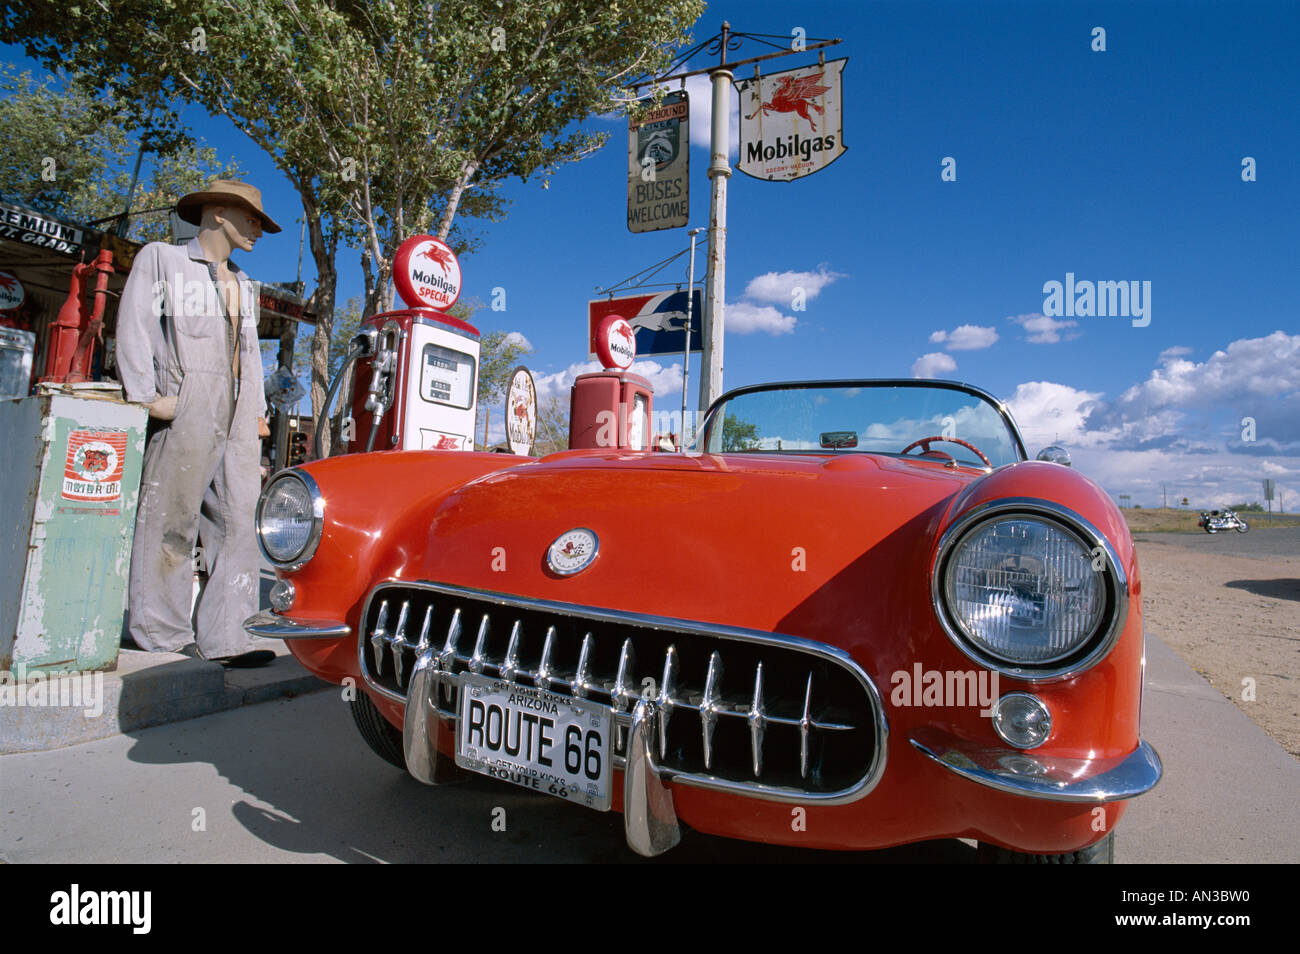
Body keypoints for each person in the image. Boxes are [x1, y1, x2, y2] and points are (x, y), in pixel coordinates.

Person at [116, 179, 281, 667]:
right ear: (218, 213)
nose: (257, 228)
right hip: (187, 401)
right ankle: (160, 634)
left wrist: (256, 411)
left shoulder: (243, 283)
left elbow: (248, 355)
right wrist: (147, 397)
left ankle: (227, 638)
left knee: (237, 526)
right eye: (250, 217)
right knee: (172, 520)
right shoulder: (162, 259)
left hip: (236, 414)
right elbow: (135, 325)